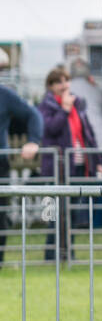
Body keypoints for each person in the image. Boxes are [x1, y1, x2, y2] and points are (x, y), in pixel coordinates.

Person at [39, 67, 102, 262]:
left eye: (66, 81)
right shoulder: (45, 106)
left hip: (77, 167)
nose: (64, 85)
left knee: (73, 212)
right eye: (59, 82)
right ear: (50, 87)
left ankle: (68, 253)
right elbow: (49, 129)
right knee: (55, 214)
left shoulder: (78, 105)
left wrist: (97, 161)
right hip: (56, 168)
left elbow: (89, 134)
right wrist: (64, 111)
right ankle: (52, 255)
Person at [0, 68, 42, 266]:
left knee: (1, 213)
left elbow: (33, 115)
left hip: (0, 164)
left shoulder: (5, 95)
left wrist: (33, 140)